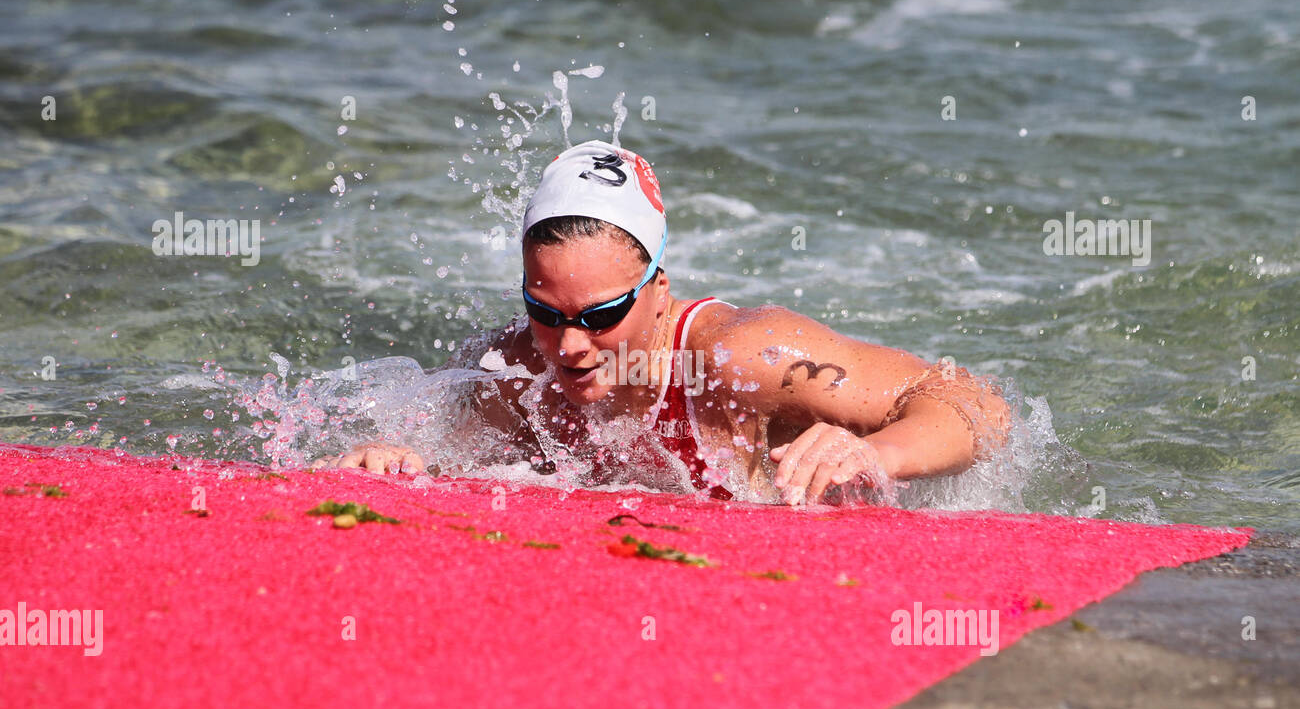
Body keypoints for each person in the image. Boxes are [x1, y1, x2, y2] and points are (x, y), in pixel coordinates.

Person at [314, 139, 1011, 505]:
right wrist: (393, 456)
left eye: (603, 314)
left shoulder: (744, 359)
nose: (571, 347)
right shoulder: (517, 368)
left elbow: (976, 403)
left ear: (659, 288)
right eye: (544, 312)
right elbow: (435, 444)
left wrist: (875, 454)